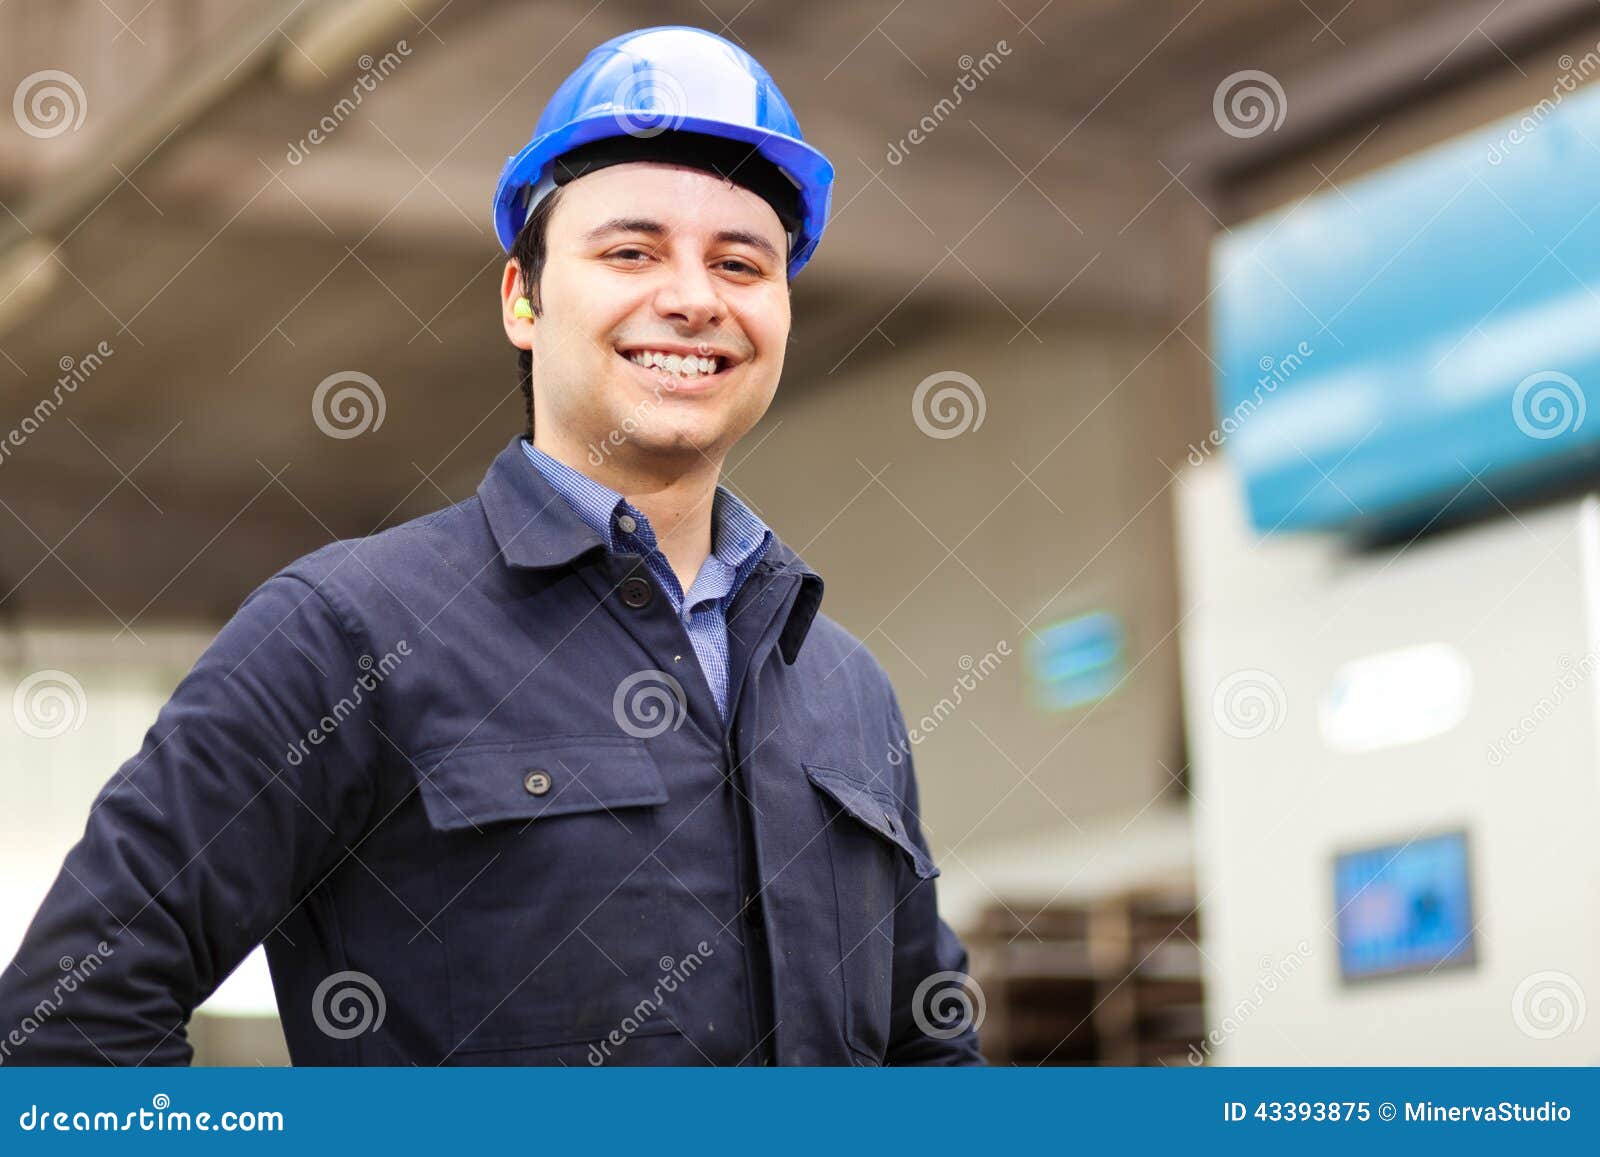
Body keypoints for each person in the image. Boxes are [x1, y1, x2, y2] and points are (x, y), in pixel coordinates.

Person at [0, 25, 981, 1066]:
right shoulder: (342, 634)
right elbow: (67, 1031)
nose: (694, 299)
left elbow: (930, 1058)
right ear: (521, 296)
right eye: (631, 251)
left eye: (741, 262)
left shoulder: (842, 687)